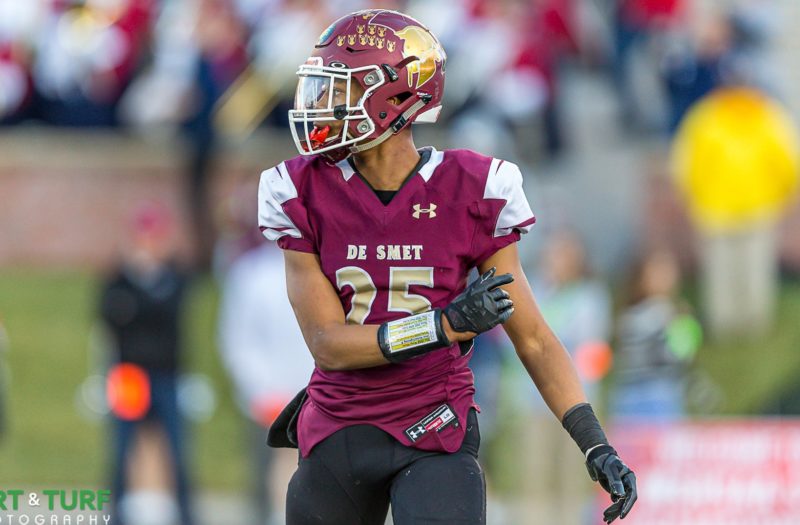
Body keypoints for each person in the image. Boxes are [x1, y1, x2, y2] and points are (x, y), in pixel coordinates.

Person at [258, 10, 637, 525]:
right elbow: (329, 343)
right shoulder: (299, 189)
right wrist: (443, 324)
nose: (325, 104)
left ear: (395, 98)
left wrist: (595, 444)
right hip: (339, 426)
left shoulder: (473, 188)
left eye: (342, 89)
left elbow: (534, 337)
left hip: (434, 428)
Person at [99, 202, 195, 525]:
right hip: (129, 375)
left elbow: (165, 312)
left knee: (177, 449)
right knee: (122, 449)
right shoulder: (118, 278)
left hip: (167, 372)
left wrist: (141, 295)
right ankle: (118, 512)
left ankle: (186, 513)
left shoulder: (175, 276)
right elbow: (112, 317)